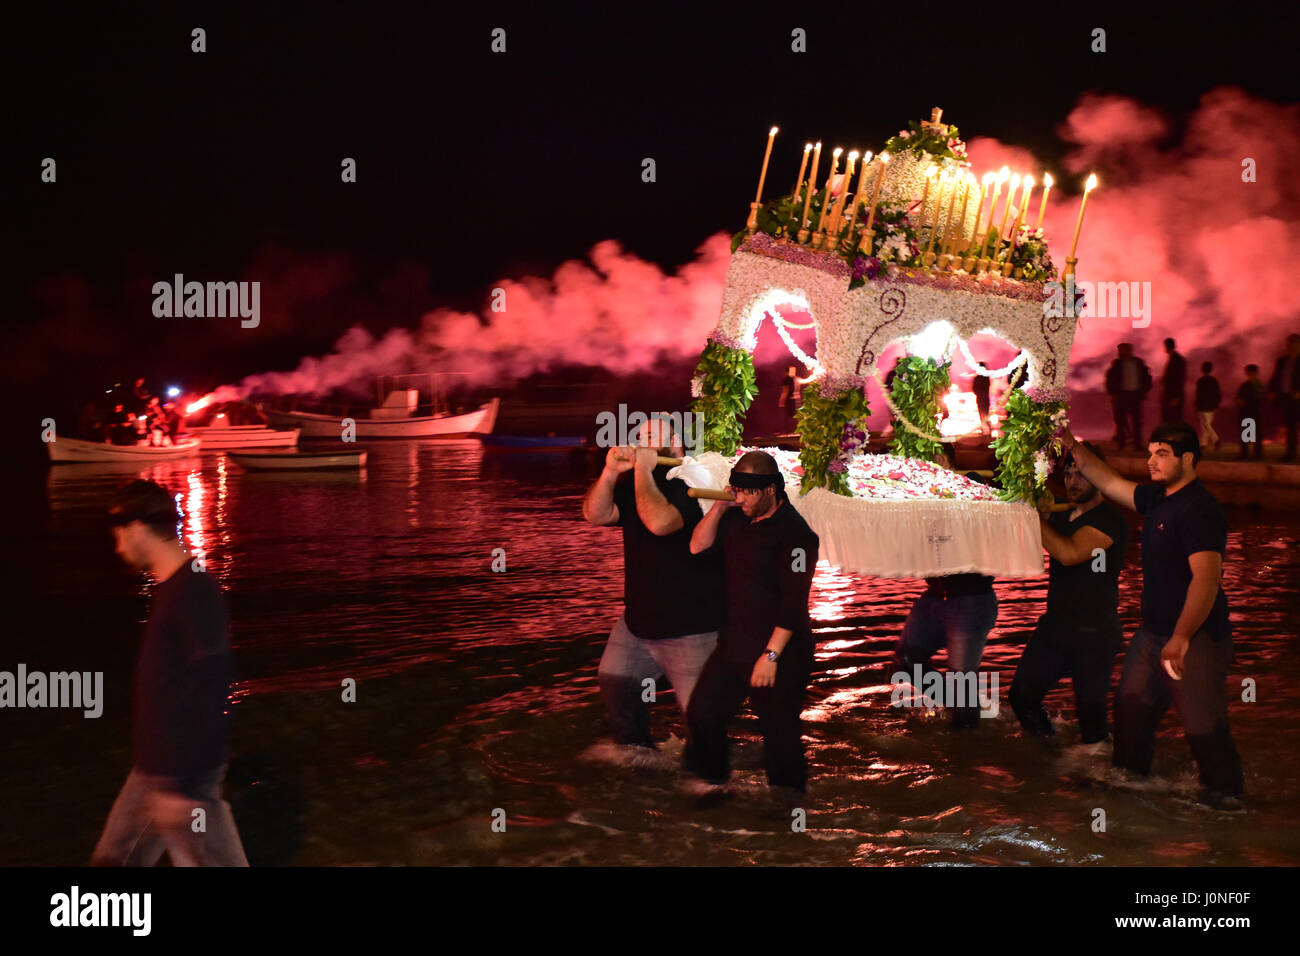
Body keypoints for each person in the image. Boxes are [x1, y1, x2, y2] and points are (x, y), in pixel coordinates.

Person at [1062, 422, 1244, 807]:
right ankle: (1128, 799)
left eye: (1161, 453)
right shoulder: (1158, 498)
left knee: (1203, 730)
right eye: (1150, 453)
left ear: (1187, 459)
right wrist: (1068, 443)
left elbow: (1206, 580)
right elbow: (1109, 483)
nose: (1151, 461)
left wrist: (1181, 637)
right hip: (1151, 635)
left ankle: (1229, 808)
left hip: (1196, 638)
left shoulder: (1200, 510)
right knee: (1129, 713)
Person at [92, 480, 248, 865]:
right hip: (157, 771)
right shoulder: (176, 587)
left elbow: (214, 686)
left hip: (180, 776)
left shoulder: (193, 590)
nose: (117, 547)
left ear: (138, 528)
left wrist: (179, 786)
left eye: (118, 535)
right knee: (115, 860)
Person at [582, 415, 722, 749]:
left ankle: (714, 786)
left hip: (689, 627)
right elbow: (596, 514)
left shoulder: (691, 481)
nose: (640, 441)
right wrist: (609, 473)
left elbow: (661, 523)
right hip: (637, 623)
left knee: (701, 719)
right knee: (616, 684)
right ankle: (638, 757)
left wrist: (643, 470)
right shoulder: (637, 484)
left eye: (650, 435)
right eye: (639, 435)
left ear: (675, 443)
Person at [684, 451, 820, 792]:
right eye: (736, 489)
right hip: (734, 643)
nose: (740, 497)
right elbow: (697, 548)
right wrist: (718, 507)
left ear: (771, 490)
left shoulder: (797, 536)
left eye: (748, 491)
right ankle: (714, 785)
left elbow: (794, 604)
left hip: (781, 652)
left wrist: (770, 656)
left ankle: (788, 808)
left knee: (779, 732)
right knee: (703, 714)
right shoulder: (735, 519)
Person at [1010, 443, 1129, 744]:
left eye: (1081, 475)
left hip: (1095, 632)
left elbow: (1069, 552)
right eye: (1068, 474)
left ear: (1099, 477)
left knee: (1091, 715)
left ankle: (1101, 777)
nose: (1072, 482)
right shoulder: (1062, 513)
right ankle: (1047, 754)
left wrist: (1031, 516)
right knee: (1021, 696)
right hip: (1056, 626)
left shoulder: (1109, 521)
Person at [1104, 343, 1152, 450]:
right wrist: (1113, 393)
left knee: (1136, 422)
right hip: (1122, 395)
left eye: (1122, 350)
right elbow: (1110, 379)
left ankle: (1136, 444)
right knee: (1121, 421)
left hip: (1135, 395)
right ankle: (1122, 444)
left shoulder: (1138, 363)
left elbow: (1147, 377)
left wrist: (1144, 391)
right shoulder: (1117, 364)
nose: (1120, 352)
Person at [1268, 333, 1300, 462]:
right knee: (1290, 427)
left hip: (1298, 397)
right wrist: (1272, 391)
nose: (1291, 345)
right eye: (1290, 343)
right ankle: (1290, 454)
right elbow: (1276, 377)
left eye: (1294, 342)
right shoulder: (1282, 360)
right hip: (1286, 398)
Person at [1235, 364, 1266, 460]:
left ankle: (1255, 454)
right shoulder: (1248, 385)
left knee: (1254, 434)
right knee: (1248, 433)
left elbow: (1261, 398)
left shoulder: (1256, 385)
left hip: (1253, 411)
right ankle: (1248, 453)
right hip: (1248, 411)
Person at [1194, 361, 1221, 451]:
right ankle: (1204, 444)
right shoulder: (1214, 381)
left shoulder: (1200, 381)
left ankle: (1215, 440)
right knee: (1206, 425)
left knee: (1205, 425)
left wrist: (1196, 405)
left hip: (1203, 406)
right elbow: (1217, 394)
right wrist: (1217, 404)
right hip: (1211, 406)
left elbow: (1198, 394)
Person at [1161, 338, 1187, 424]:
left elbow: (1179, 380)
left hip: (1172, 396)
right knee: (1172, 419)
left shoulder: (1176, 360)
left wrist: (1176, 397)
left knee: (1173, 420)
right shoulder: (1177, 359)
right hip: (1171, 396)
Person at [777, 366, 800, 431]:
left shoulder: (795, 379)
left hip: (794, 400)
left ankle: (793, 431)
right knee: (790, 416)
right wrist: (782, 401)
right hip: (789, 401)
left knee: (793, 416)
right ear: (788, 372)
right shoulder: (786, 380)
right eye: (792, 370)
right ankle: (790, 431)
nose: (794, 372)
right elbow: (785, 392)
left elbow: (804, 381)